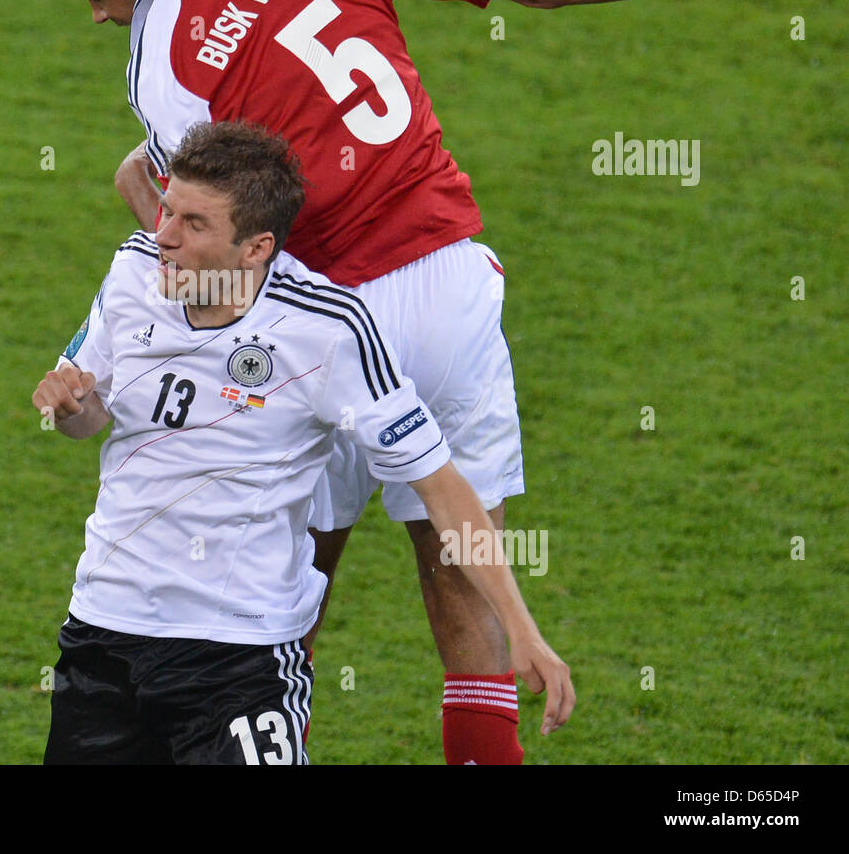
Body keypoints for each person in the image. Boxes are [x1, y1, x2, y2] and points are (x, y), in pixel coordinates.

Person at [58, 0, 802, 763]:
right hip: (452, 286)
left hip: (329, 315)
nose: (99, 17)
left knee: (281, 584)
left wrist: (139, 213)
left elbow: (212, 235)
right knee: (455, 558)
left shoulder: (162, 56)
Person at [33, 121, 572, 764]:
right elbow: (92, 416)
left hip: (238, 660)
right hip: (103, 633)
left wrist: (519, 623)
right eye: (167, 209)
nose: (164, 236)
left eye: (193, 224)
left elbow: (441, 486)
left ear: (257, 246)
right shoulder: (132, 273)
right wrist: (71, 405)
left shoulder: (327, 331)